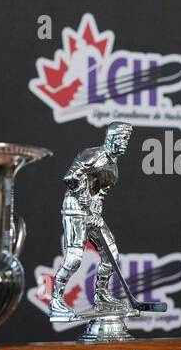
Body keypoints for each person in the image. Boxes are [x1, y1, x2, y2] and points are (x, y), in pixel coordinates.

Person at [49, 122, 134, 317]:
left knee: (111, 255)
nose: (124, 144)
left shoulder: (113, 166)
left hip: (92, 214)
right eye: (122, 139)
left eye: (127, 140)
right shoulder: (93, 155)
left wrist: (95, 209)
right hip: (74, 209)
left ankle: (102, 294)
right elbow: (71, 178)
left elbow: (101, 194)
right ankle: (56, 300)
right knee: (74, 259)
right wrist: (82, 193)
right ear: (111, 138)